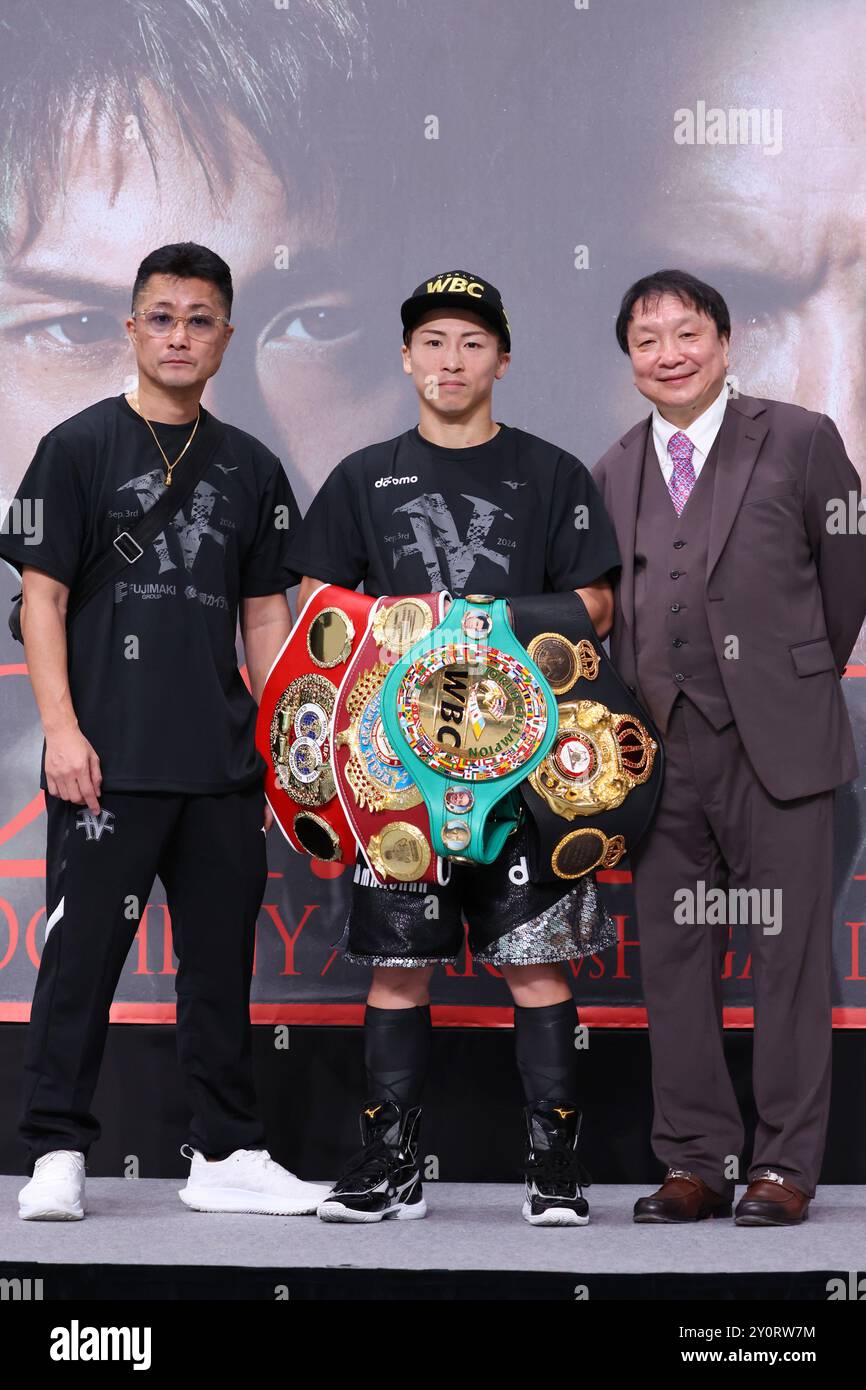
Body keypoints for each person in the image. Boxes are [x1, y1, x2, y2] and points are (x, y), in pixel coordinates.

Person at [0, 241, 330, 1220]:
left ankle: (224, 1151)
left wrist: (283, 743)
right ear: (130, 328)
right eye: (161, 316)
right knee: (81, 957)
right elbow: (42, 599)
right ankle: (56, 1149)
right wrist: (62, 730)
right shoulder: (74, 447)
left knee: (220, 963)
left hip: (222, 764)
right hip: (105, 756)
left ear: (225, 336)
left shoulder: (252, 465)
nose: (179, 334)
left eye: (199, 319)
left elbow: (265, 617)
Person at [287, 270, 622, 1225]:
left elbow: (597, 605)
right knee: (399, 967)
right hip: (398, 773)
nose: (451, 360)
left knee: (537, 963)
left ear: (503, 361)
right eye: (432, 341)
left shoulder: (552, 473)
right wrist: (405, 624)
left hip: (530, 767)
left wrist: (486, 617)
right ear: (405, 357)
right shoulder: (362, 475)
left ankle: (554, 1170)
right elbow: (318, 611)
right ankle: (389, 1167)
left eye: (472, 343)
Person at [593, 269, 866, 1225]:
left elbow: (846, 577)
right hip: (659, 755)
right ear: (629, 361)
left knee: (789, 959)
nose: (669, 353)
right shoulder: (616, 465)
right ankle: (696, 1162)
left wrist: (785, 686)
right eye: (647, 340)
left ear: (724, 338)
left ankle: (785, 1168)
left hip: (779, 746)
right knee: (671, 960)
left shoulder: (799, 437)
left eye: (686, 333)